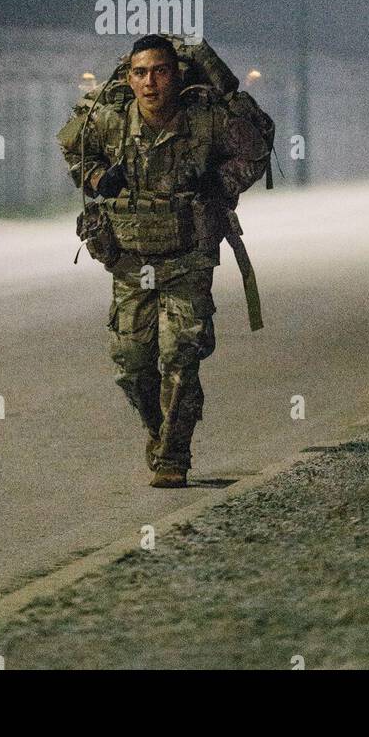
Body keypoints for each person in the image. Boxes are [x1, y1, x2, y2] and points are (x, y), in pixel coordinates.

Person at [57, 34, 273, 488]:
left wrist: (222, 183)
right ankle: (157, 430)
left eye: (159, 71)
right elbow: (74, 149)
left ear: (175, 75)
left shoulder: (206, 119)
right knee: (133, 363)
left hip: (188, 257)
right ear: (129, 78)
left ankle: (174, 454)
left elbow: (254, 147)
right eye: (140, 73)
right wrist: (98, 176)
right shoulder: (111, 120)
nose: (150, 82)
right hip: (130, 260)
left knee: (180, 354)